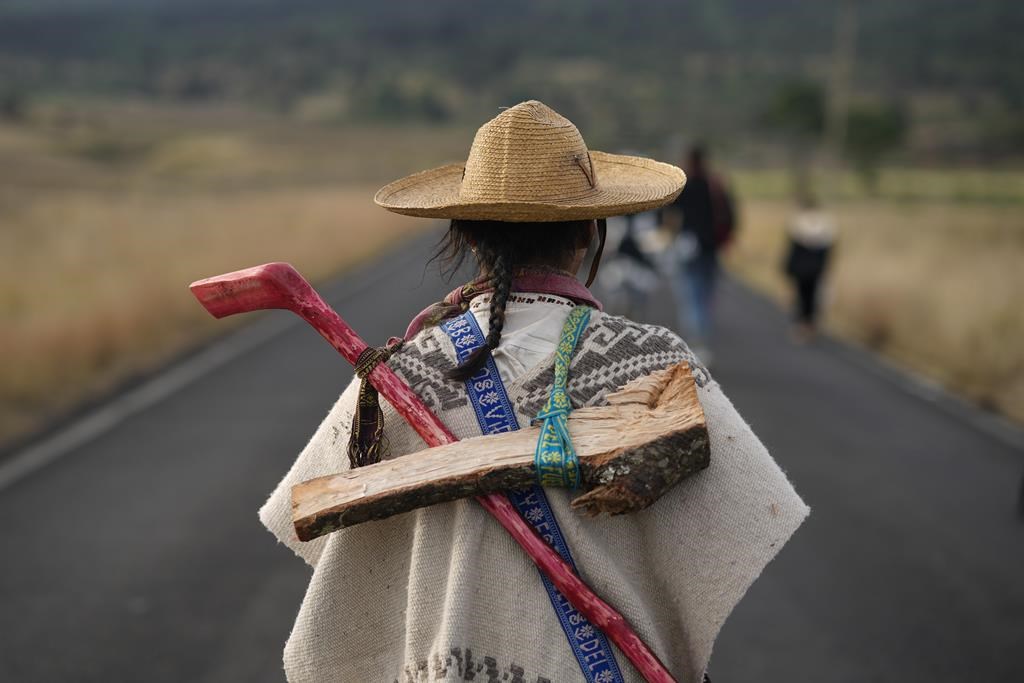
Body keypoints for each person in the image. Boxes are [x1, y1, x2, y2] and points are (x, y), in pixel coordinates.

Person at [259, 101, 807, 683]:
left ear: (467, 234)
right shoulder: (655, 363)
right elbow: (738, 520)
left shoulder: (400, 375)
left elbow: (319, 529)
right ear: (590, 233)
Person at [666, 145, 736, 361]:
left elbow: (669, 211)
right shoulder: (714, 184)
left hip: (689, 247)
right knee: (706, 296)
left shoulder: (685, 185)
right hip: (711, 248)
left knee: (691, 295)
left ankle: (696, 343)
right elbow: (731, 215)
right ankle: (703, 341)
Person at [783, 191, 837, 341]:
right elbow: (829, 250)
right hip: (816, 268)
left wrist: (789, 268)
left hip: (802, 268)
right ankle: (810, 324)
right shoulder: (825, 224)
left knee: (803, 296)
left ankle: (804, 324)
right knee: (813, 296)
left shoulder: (798, 223)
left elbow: (792, 250)